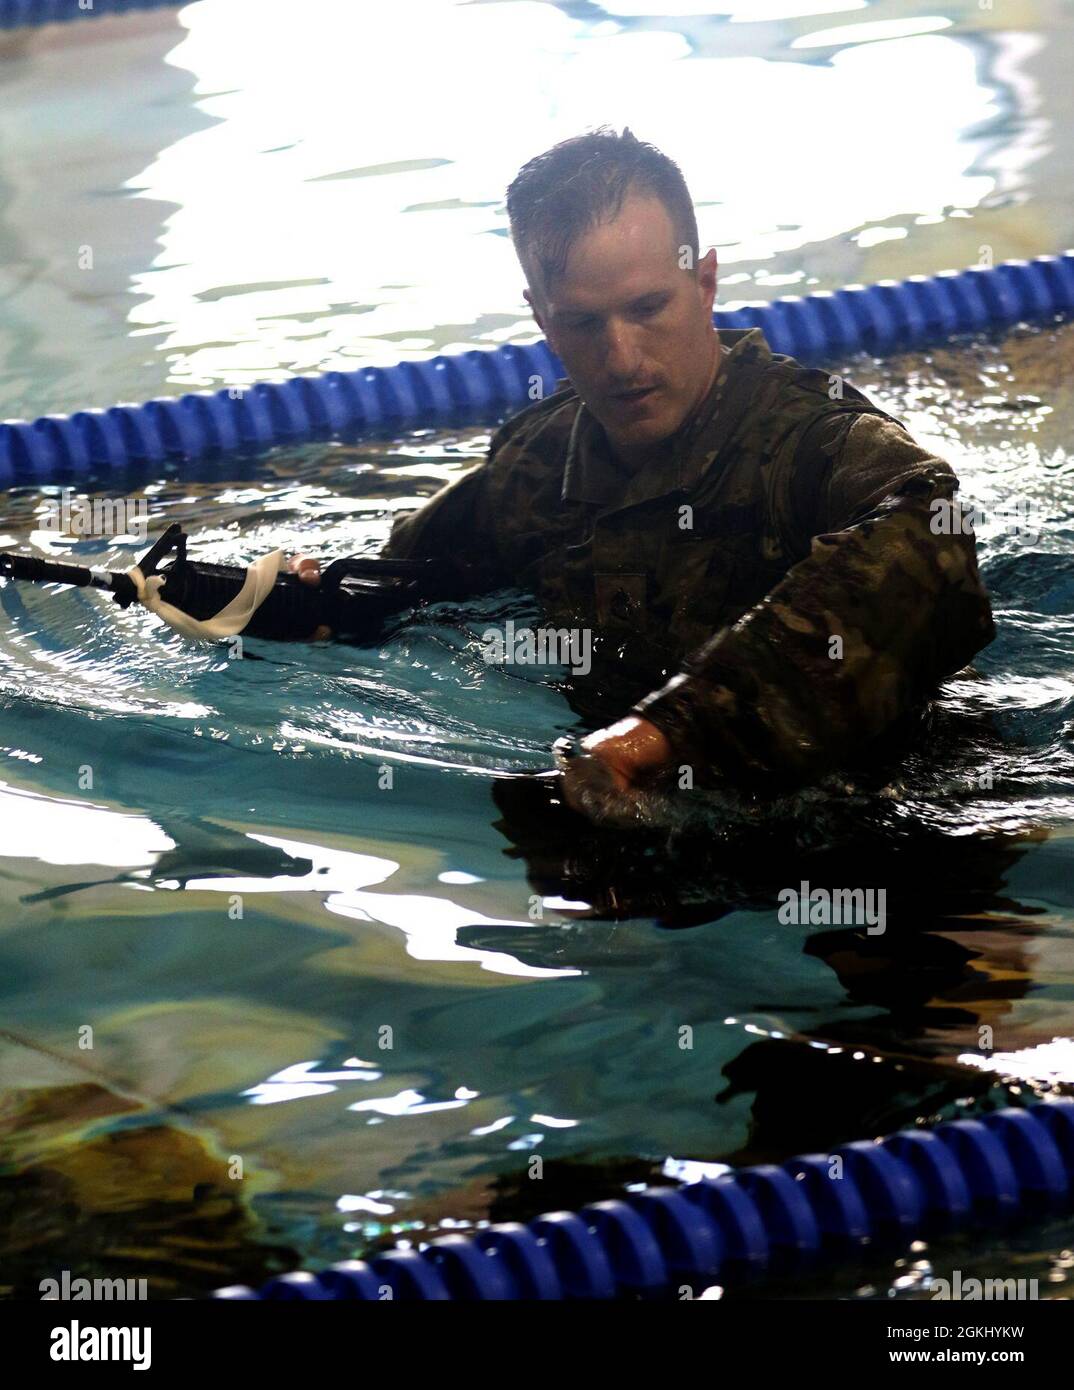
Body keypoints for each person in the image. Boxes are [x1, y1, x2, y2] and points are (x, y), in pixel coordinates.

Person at [291, 127, 995, 817]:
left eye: (647, 308)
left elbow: (930, 540)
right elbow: (412, 575)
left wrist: (659, 736)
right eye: (583, 324)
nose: (622, 358)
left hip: (902, 806)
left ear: (705, 281)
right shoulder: (536, 469)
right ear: (542, 320)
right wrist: (308, 599)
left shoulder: (811, 443)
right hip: (627, 806)